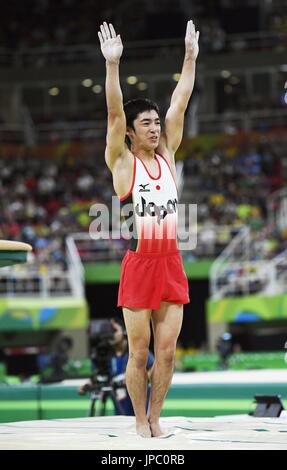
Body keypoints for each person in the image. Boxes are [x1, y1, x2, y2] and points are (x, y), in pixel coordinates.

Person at [98, 20, 199, 437]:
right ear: (131, 132)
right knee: (138, 353)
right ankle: (139, 421)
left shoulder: (169, 154)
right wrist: (112, 66)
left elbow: (181, 101)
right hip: (140, 264)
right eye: (147, 124)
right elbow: (114, 111)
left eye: (157, 122)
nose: (156, 128)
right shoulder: (123, 163)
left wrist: (190, 58)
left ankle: (156, 418)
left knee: (168, 353)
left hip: (171, 262)